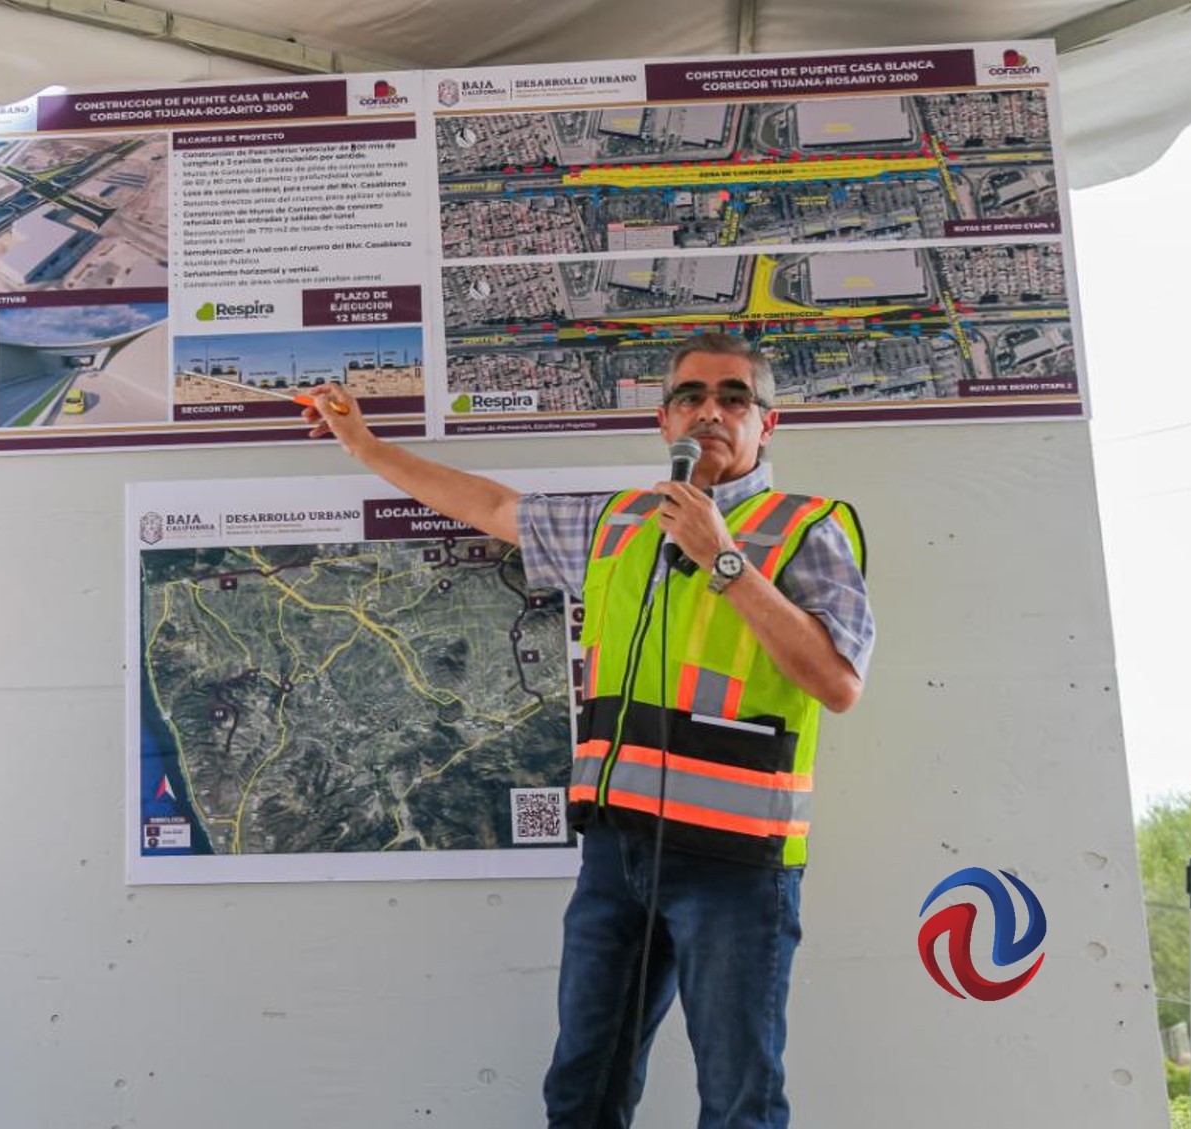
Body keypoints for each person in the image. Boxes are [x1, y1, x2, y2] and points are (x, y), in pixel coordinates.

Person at [303, 334, 873, 1128]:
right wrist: (363, 444)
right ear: (662, 418)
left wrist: (725, 558)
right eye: (690, 396)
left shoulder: (807, 528)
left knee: (739, 1098)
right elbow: (491, 506)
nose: (710, 410)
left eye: (734, 397)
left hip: (737, 865)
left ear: (765, 424)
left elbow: (839, 683)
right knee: (582, 1090)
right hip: (619, 853)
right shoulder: (619, 524)